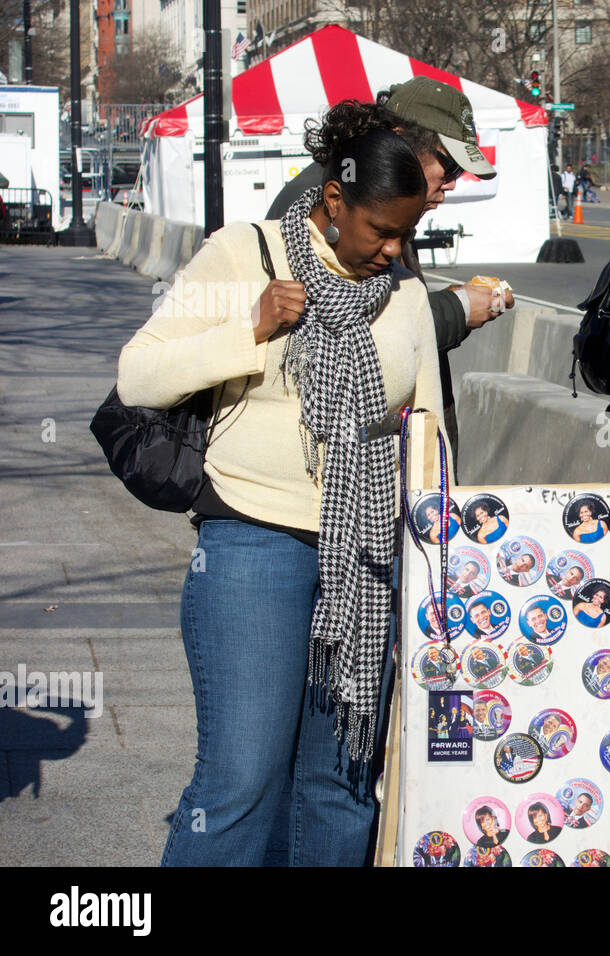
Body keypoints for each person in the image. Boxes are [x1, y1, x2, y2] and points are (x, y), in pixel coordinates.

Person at [119, 100, 446, 867]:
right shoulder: (247, 253)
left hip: (367, 563)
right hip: (250, 547)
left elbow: (429, 432)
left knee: (339, 788)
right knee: (240, 783)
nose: (395, 251)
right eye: (381, 231)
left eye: (408, 234)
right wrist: (250, 330)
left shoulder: (403, 291)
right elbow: (138, 374)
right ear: (335, 201)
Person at [266, 77, 514, 467]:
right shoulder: (329, 202)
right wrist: (459, 309)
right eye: (447, 165)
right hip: (342, 460)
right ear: (400, 138)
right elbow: (338, 331)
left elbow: (381, 307)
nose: (449, 185)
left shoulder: (383, 202)